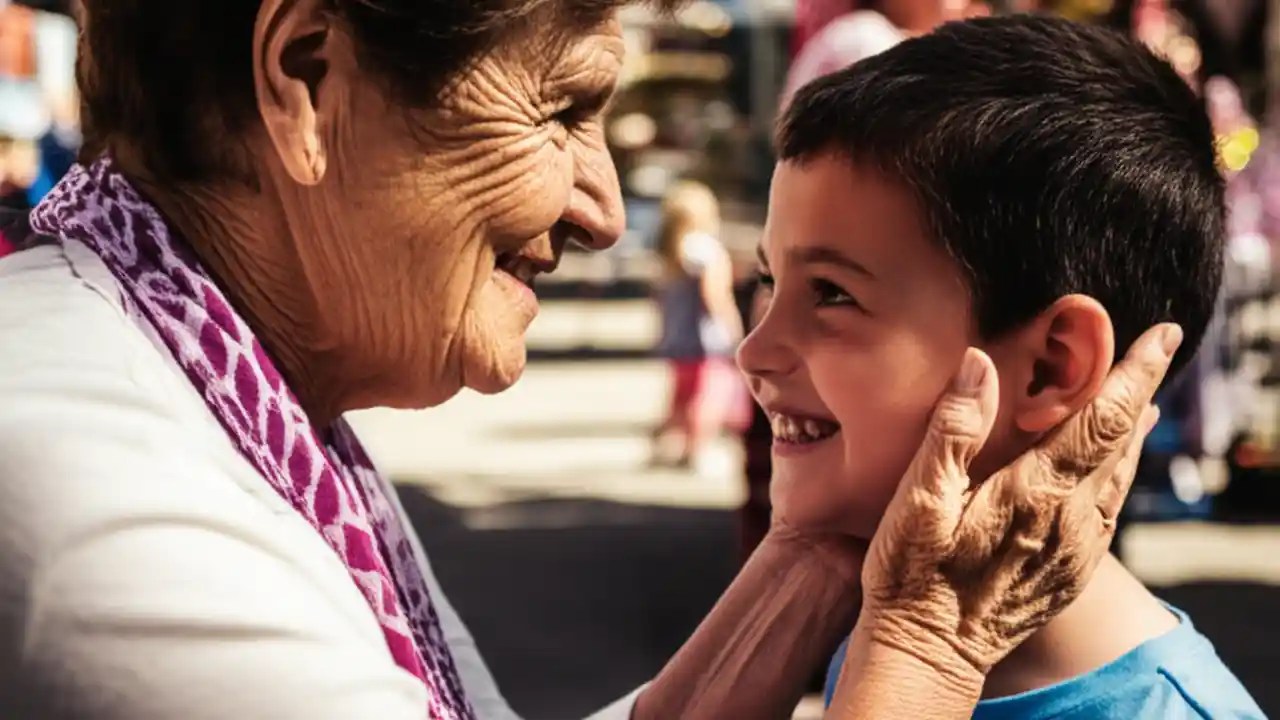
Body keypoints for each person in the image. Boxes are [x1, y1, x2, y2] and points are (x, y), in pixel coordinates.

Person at [0, 2, 1178, 718]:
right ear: (306, 79)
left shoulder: (232, 402)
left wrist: (820, 554)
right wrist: (922, 647)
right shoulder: (88, 492)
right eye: (562, 110)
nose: (603, 205)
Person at [746, 15, 1263, 718]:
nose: (755, 353)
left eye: (833, 294)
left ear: (1052, 368)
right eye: (770, 281)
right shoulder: (882, 647)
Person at [650, 180, 746, 470]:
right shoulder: (707, 251)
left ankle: (668, 442)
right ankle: (696, 448)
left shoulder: (672, 253)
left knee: (682, 394)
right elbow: (715, 295)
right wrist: (733, 327)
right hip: (707, 338)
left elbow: (660, 299)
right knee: (709, 394)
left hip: (678, 338)